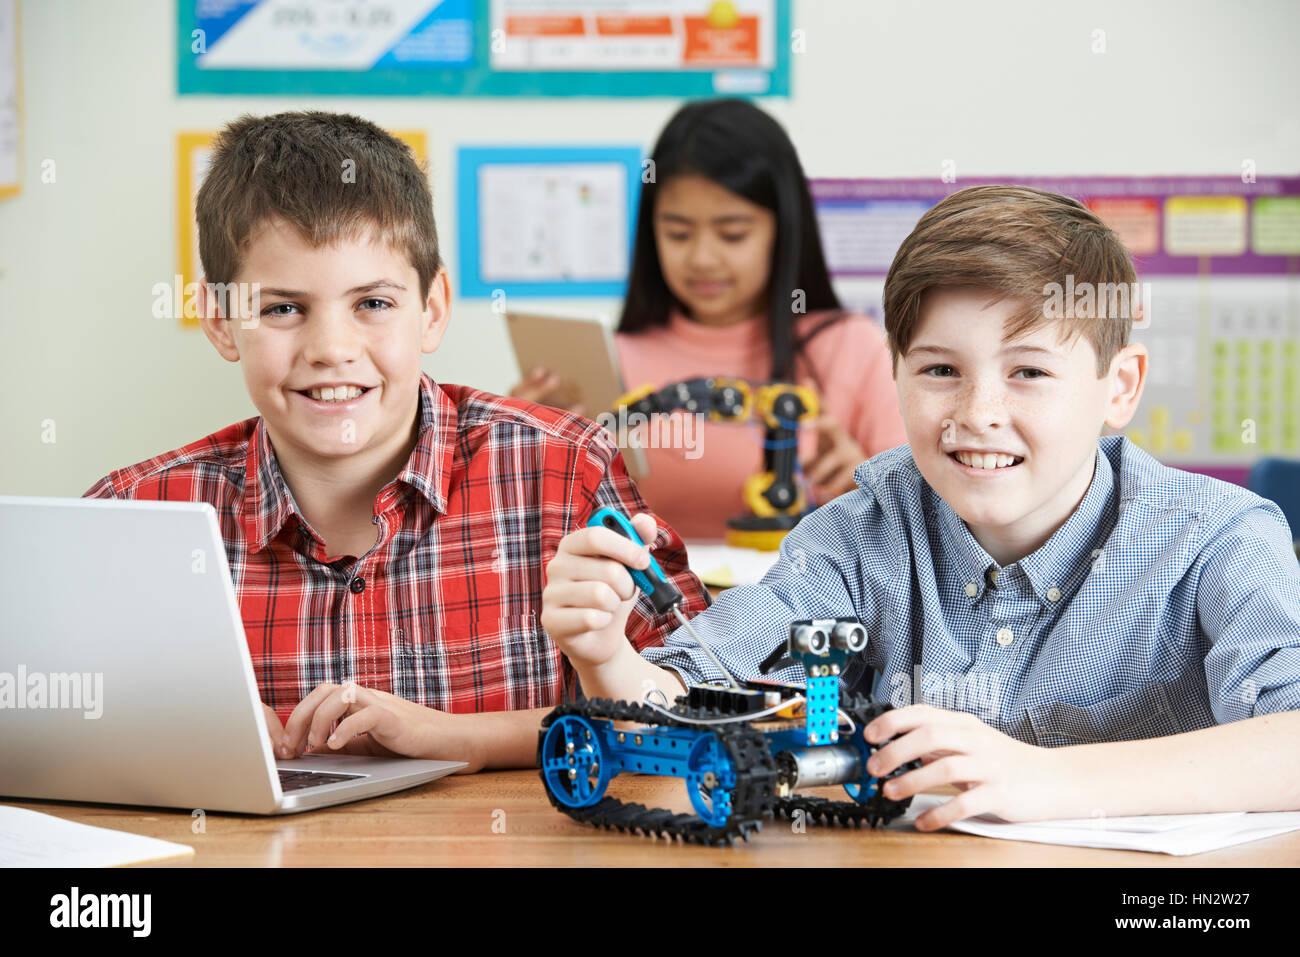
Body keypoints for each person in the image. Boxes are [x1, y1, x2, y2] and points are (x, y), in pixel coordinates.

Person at [541, 184, 1300, 827]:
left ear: (1120, 387)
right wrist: (607, 652)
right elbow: (692, 700)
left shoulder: (1218, 539)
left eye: (1029, 370)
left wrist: (1041, 779)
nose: (978, 412)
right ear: (895, 373)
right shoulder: (858, 534)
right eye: (941, 368)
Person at [83, 111, 708, 773]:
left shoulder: (564, 472)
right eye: (281, 308)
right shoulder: (133, 514)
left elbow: (704, 705)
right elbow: (44, 717)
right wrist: (157, 728)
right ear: (220, 320)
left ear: (432, 308)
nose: (331, 349)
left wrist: (456, 739)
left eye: (373, 304)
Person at [513, 99, 906, 539]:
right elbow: (546, 533)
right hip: (642, 604)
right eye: (678, 232)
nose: (702, 258)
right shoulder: (604, 362)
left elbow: (929, 534)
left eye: (732, 234)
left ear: (783, 228)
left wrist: (867, 492)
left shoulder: (852, 349)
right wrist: (523, 452)